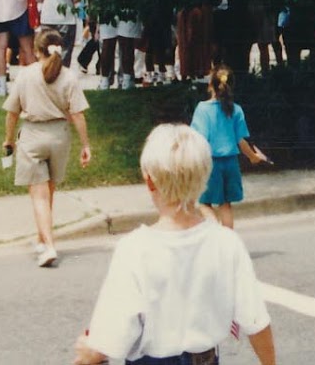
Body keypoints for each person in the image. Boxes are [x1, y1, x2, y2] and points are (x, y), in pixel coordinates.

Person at [74, 123, 276, 365]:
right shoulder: (225, 242)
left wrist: (90, 353)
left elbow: (113, 333)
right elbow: (255, 321)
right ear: (205, 178)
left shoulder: (135, 249)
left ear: (149, 182)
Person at [3, 25, 92, 268]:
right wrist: (85, 144)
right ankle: (42, 238)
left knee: (39, 197)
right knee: (48, 193)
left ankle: (49, 246)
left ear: (37, 50)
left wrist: (8, 139)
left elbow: (12, 112)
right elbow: (78, 114)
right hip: (59, 136)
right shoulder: (68, 77)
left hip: (33, 134)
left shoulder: (26, 74)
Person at [189, 66, 270, 229]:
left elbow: (199, 139)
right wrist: (253, 157)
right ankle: (228, 241)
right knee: (225, 204)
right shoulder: (236, 109)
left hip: (210, 163)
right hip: (231, 163)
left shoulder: (202, 109)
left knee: (204, 203)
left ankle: (216, 237)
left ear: (210, 85)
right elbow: (240, 140)